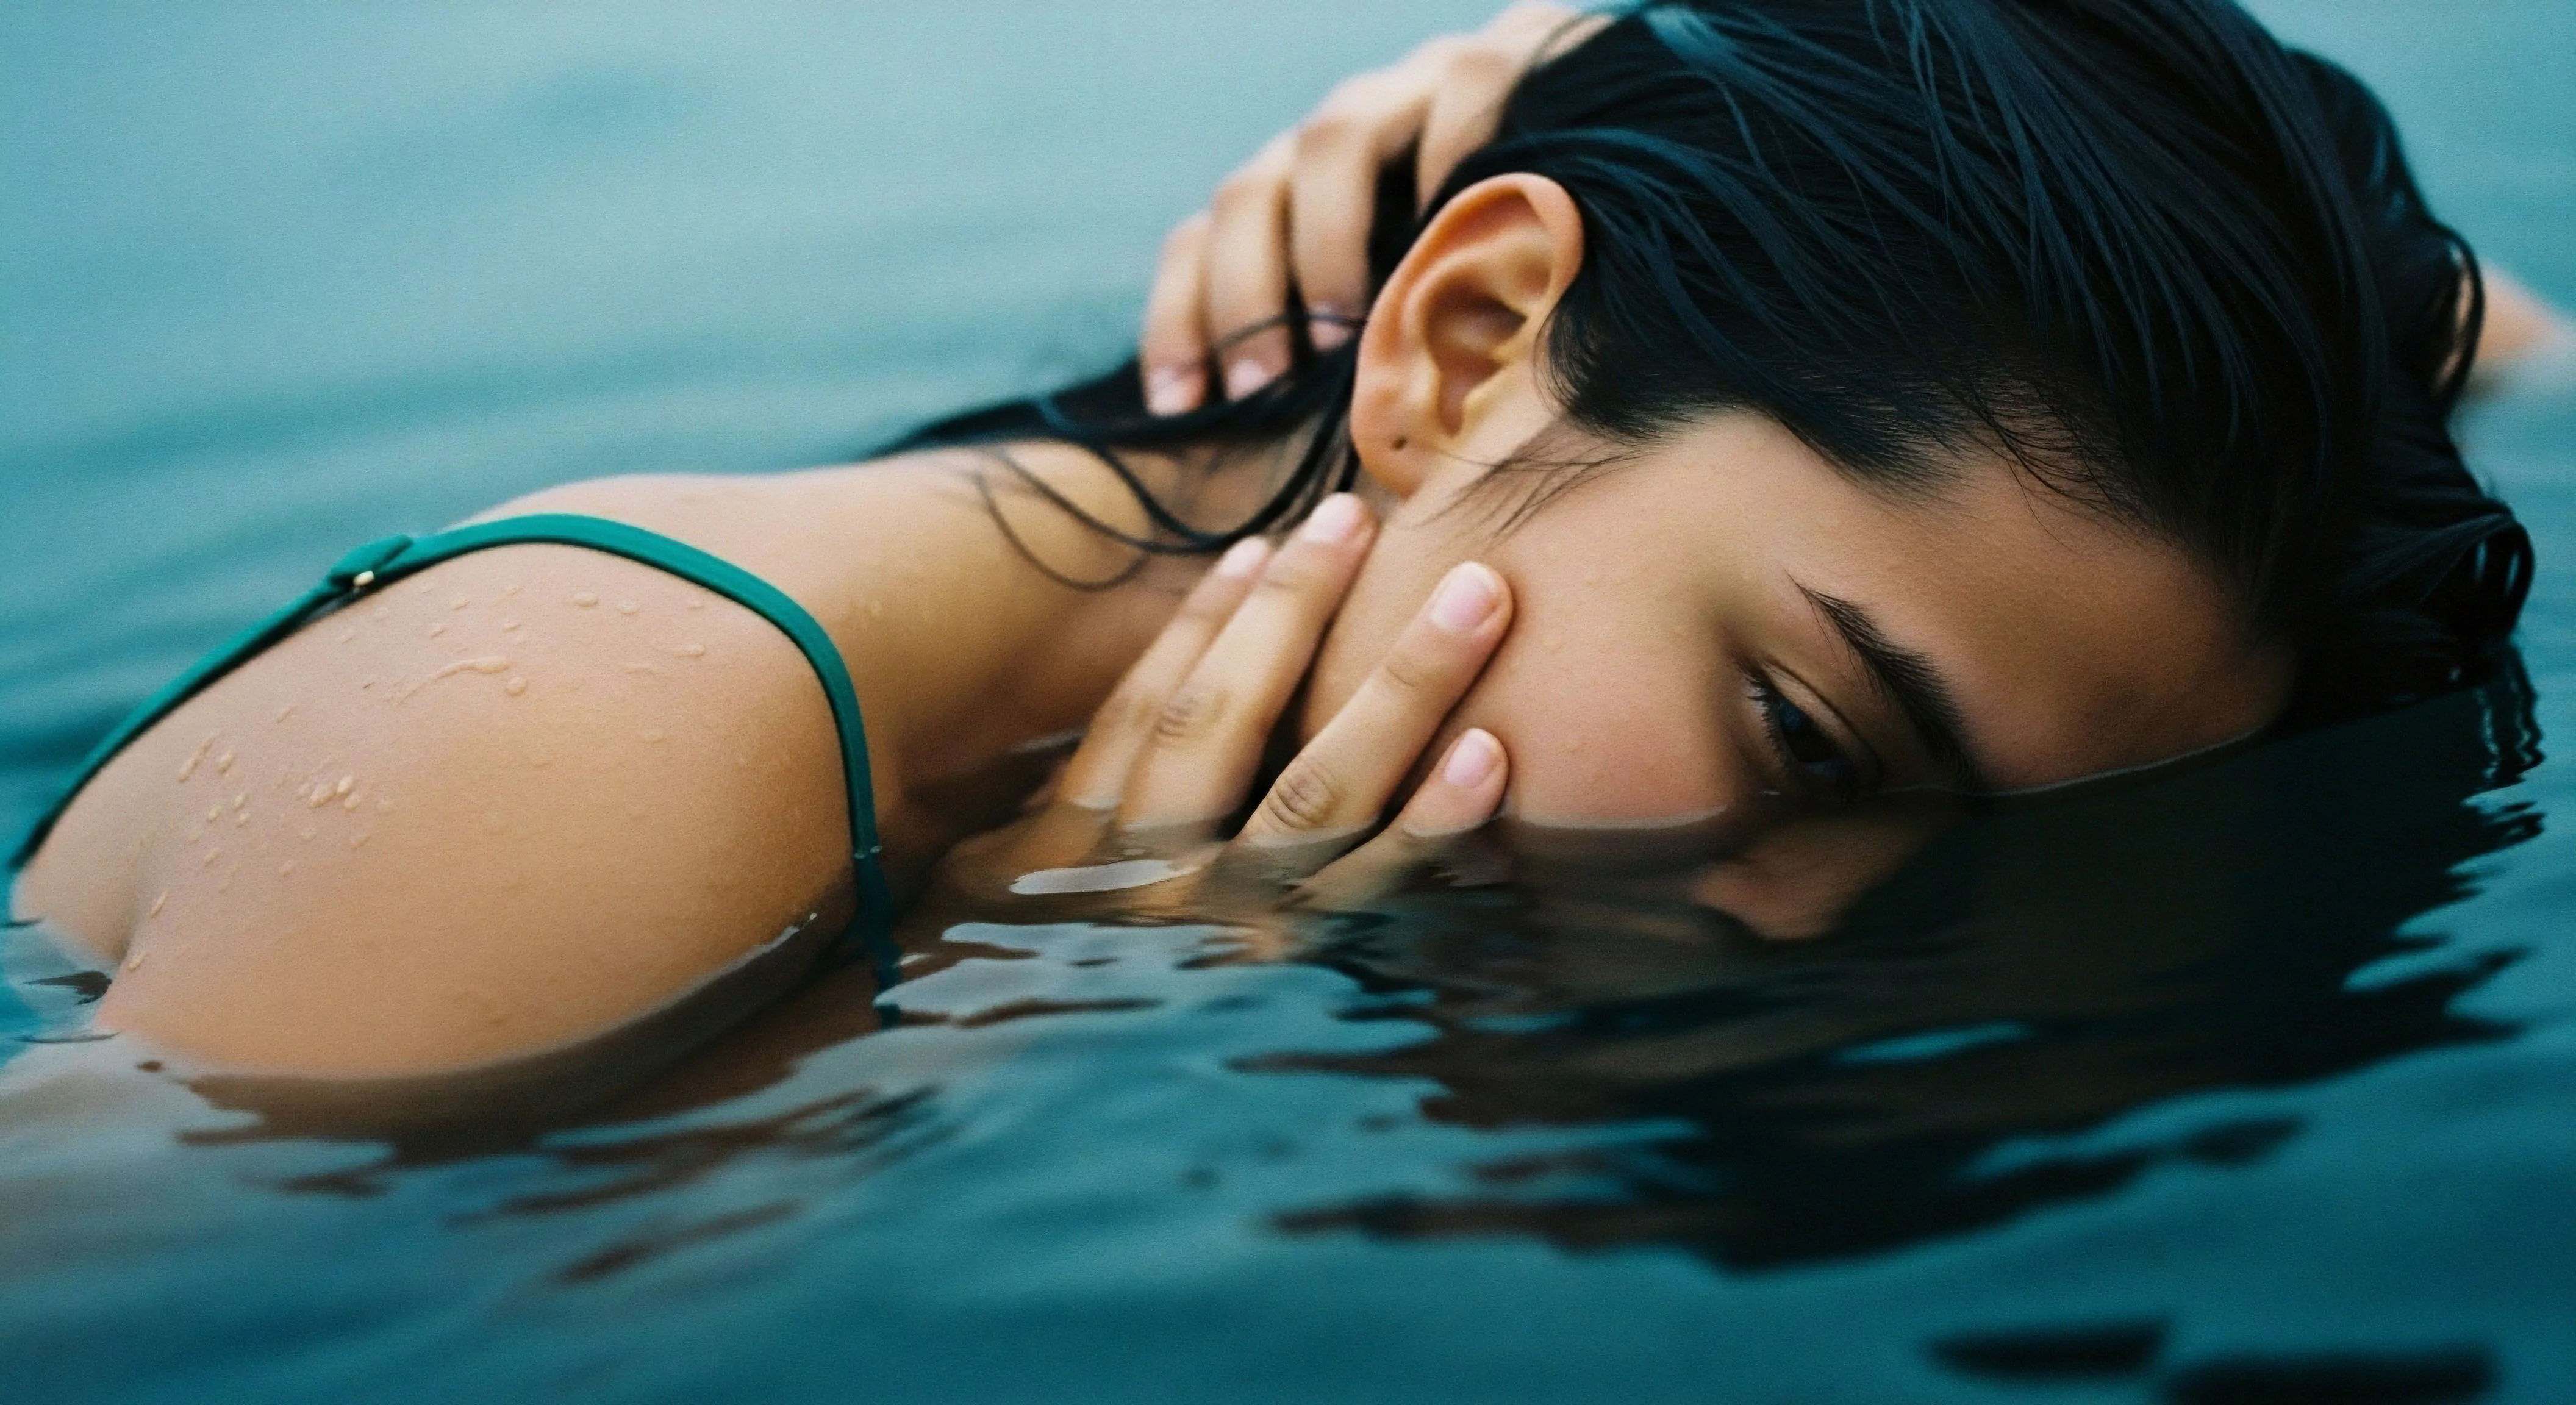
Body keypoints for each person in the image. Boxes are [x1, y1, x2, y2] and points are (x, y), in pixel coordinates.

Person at [2, 1, 2546, 1089]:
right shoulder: (600, 750)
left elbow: (2488, 341)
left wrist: (1646, 67)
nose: (1799, 931)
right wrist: (1028, 1021)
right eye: (1803, 735)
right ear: (1455, 346)